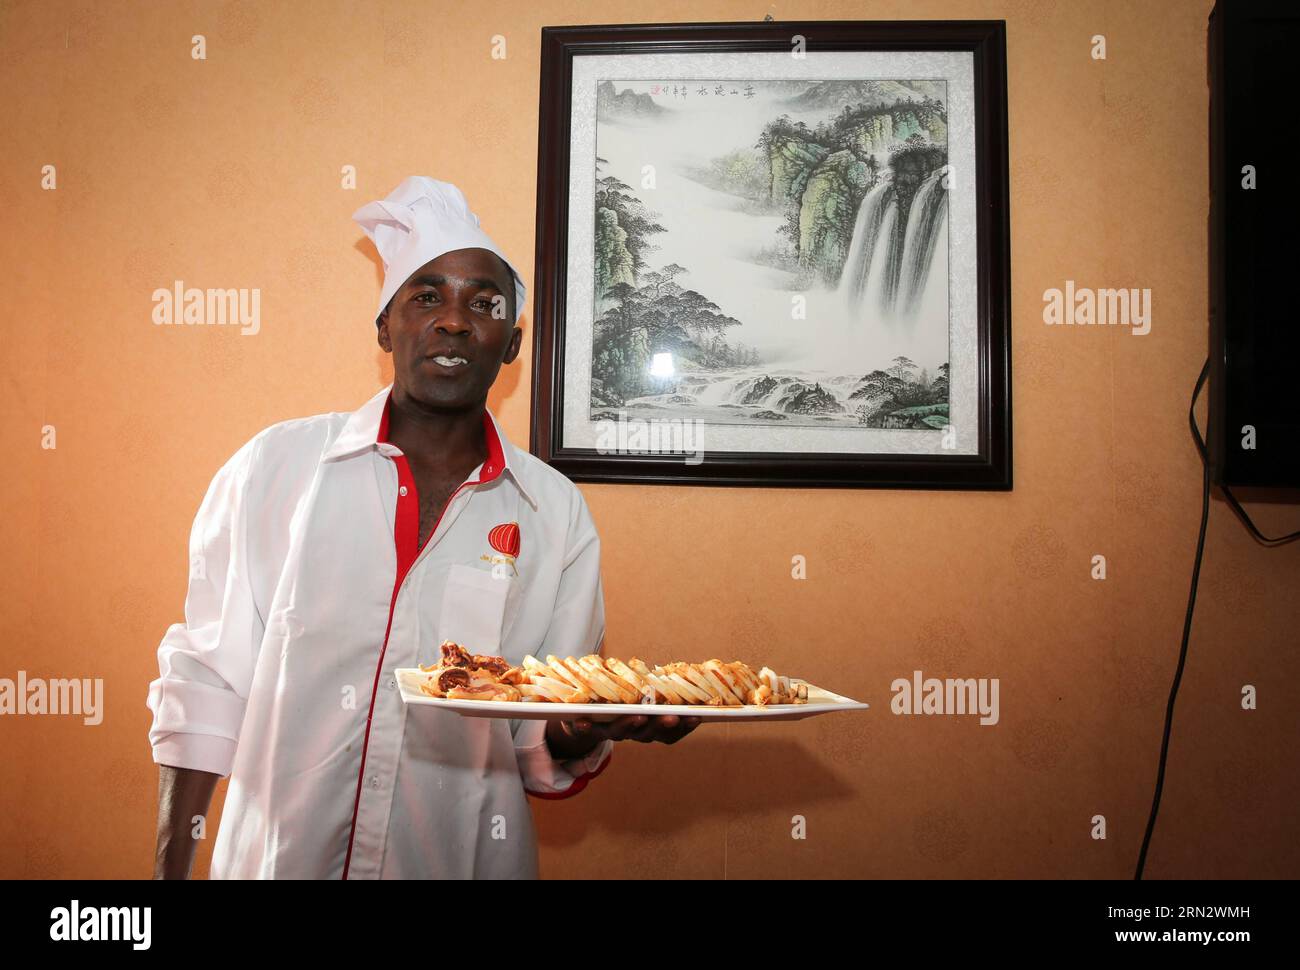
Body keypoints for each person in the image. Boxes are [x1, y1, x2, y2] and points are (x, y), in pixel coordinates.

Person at [147, 176, 699, 879]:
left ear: (511, 344)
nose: (455, 321)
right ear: (385, 326)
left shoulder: (555, 515)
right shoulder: (274, 470)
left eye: (485, 304)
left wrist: (589, 723)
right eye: (427, 296)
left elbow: (542, 735)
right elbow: (205, 686)